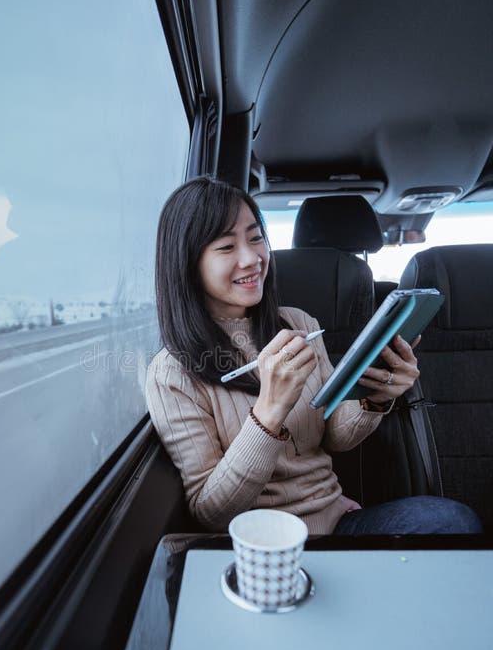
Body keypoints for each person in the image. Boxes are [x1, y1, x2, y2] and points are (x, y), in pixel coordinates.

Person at [146, 176, 482, 536]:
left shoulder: (297, 323)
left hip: (336, 525)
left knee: (452, 522)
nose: (252, 259)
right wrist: (268, 412)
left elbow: (334, 437)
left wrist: (376, 397)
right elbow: (210, 513)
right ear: (188, 264)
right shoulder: (172, 372)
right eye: (227, 247)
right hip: (260, 548)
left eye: (256, 237)